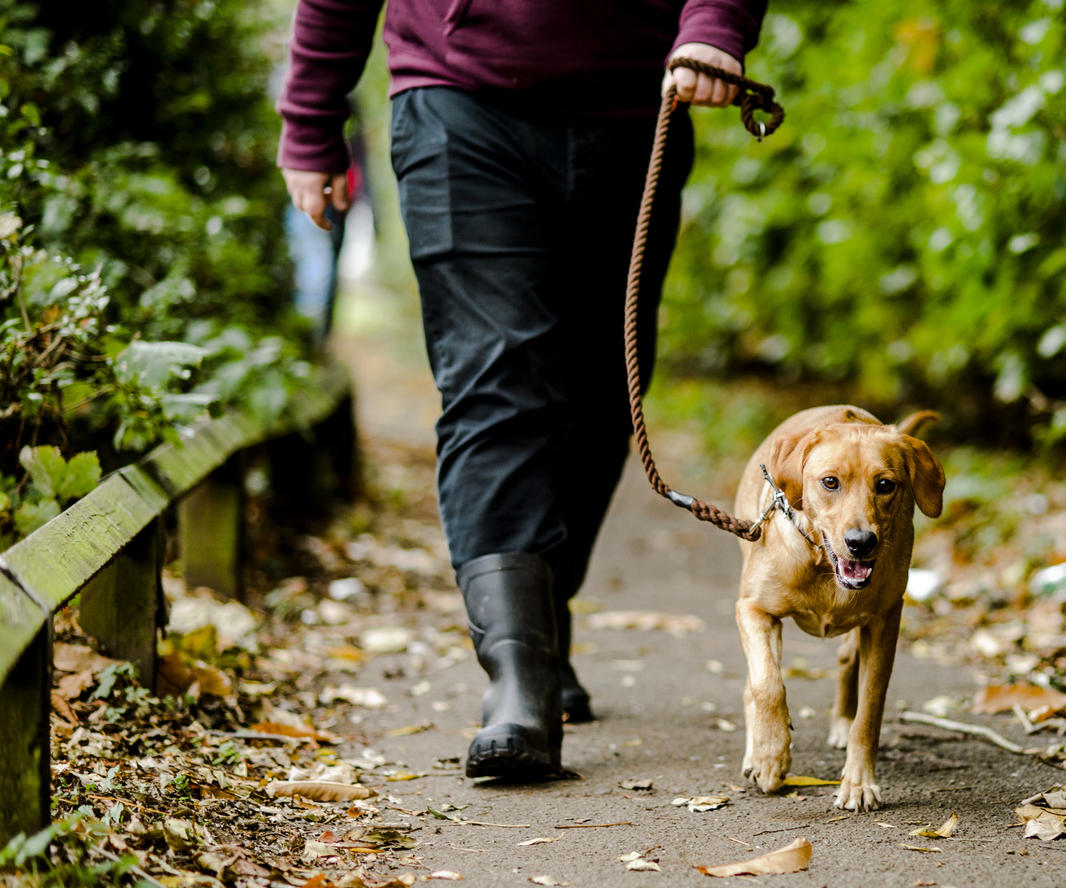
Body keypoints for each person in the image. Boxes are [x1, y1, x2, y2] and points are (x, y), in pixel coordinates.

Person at [276, 0, 766, 780]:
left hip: (636, 109)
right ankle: (518, 684)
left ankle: (540, 611)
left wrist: (713, 23)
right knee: (494, 378)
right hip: (454, 103)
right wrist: (310, 118)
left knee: (603, 387)